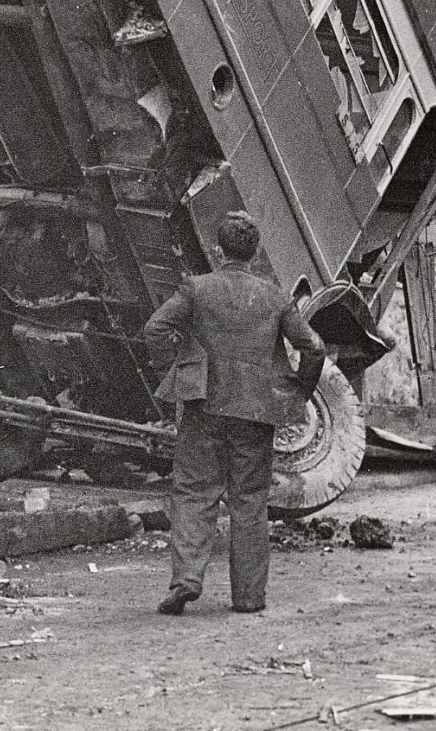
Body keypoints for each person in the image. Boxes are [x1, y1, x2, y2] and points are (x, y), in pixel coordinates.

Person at [144, 213, 327, 616]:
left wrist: (181, 371)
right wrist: (297, 391)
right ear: (256, 252)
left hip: (204, 404)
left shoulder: (197, 288)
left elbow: (155, 329)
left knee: (193, 492)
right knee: (249, 502)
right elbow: (314, 348)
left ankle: (187, 580)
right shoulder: (276, 297)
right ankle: (248, 598)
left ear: (218, 250)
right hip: (256, 411)